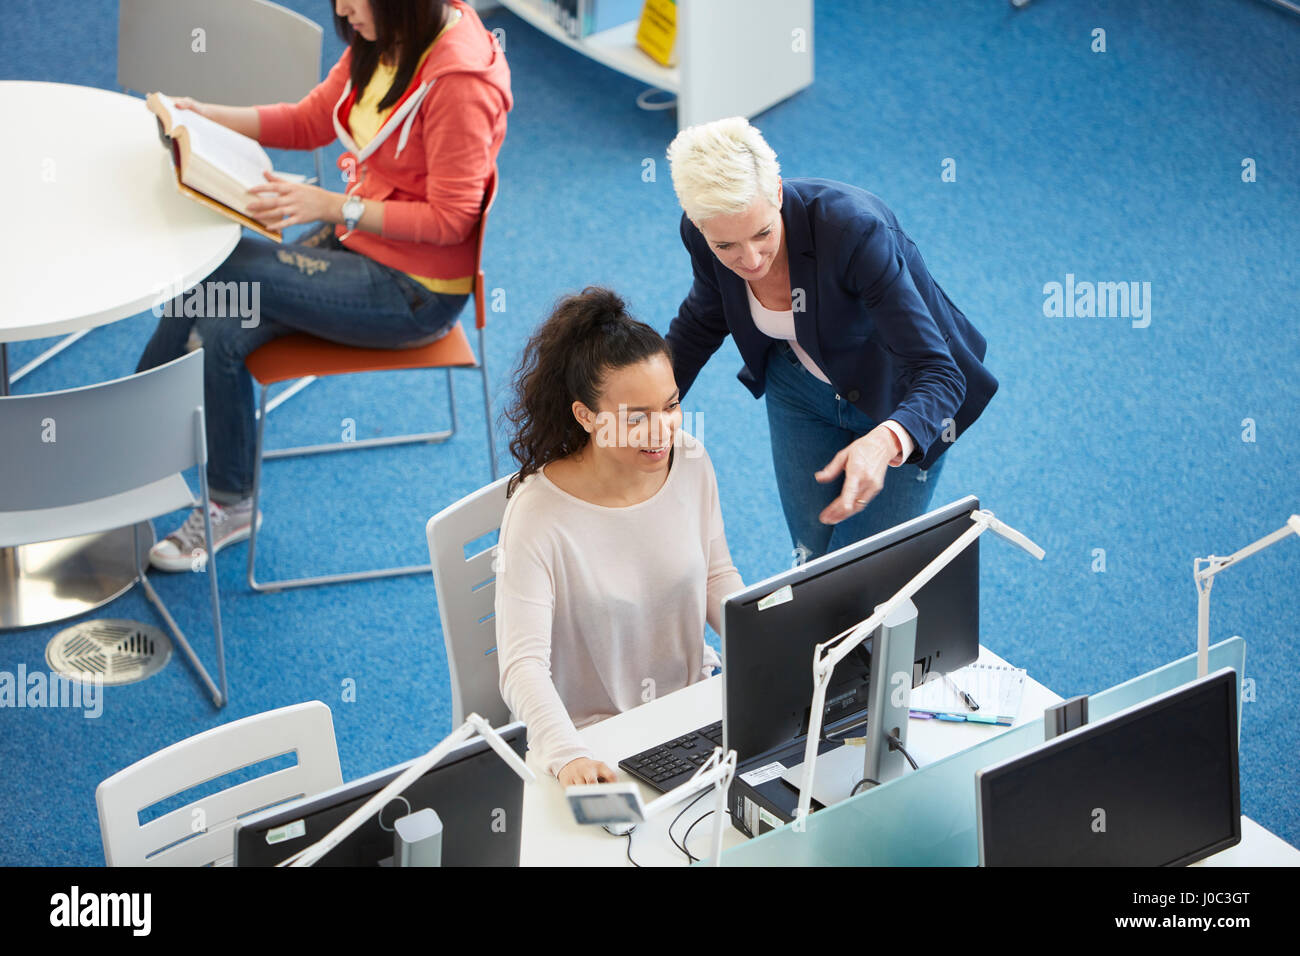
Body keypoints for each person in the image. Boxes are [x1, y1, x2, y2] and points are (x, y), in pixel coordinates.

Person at [137, 0, 511, 570]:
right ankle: (222, 497)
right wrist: (201, 117)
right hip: (357, 243)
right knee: (221, 322)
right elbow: (311, 118)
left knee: (216, 270)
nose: (342, 9)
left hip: (412, 291)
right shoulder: (385, 34)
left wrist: (336, 205)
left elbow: (451, 220)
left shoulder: (460, 84)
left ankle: (130, 447)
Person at [664, 117, 998, 562]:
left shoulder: (853, 231)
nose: (750, 259)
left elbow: (939, 373)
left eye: (763, 233)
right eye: (727, 246)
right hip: (797, 391)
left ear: (778, 193)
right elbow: (703, 320)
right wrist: (644, 408)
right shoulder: (701, 235)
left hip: (896, 395)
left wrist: (886, 440)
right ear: (698, 223)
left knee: (862, 575)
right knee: (812, 559)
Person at [494, 288, 744, 786]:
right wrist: (568, 755)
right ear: (585, 416)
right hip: (597, 741)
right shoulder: (537, 514)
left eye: (670, 406)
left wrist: (767, 644)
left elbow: (717, 575)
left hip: (694, 715)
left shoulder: (689, 459)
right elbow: (521, 666)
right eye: (636, 418)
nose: (662, 432)